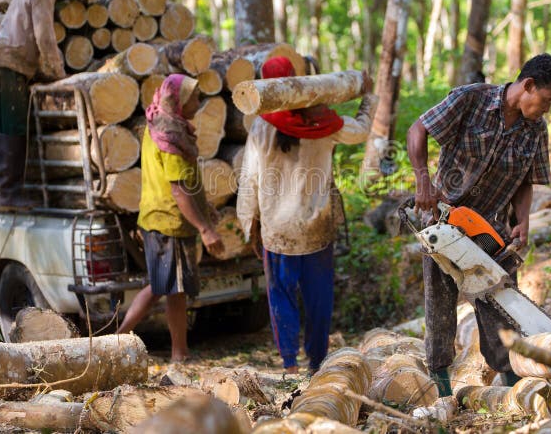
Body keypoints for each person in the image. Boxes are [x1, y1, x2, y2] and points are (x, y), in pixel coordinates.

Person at [407, 54, 551, 395]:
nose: (547, 109)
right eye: (546, 101)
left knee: (500, 305)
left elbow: (527, 181)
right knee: (440, 305)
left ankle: (510, 385)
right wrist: (423, 180)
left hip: (491, 229)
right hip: (445, 220)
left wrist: (522, 221)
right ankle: (442, 390)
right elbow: (418, 128)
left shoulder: (536, 130)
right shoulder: (472, 99)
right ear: (528, 85)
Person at [237, 57, 377, 375]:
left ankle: (289, 363)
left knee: (281, 295)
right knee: (319, 296)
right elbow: (362, 131)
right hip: (316, 225)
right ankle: (316, 362)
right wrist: (368, 96)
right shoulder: (323, 122)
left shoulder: (260, 126)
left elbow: (250, 178)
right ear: (296, 81)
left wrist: (250, 223)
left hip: (277, 227)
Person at [117, 74, 225, 362]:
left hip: (160, 218)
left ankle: (168, 350)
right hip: (169, 220)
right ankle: (168, 351)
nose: (199, 103)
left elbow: (187, 182)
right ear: (177, 101)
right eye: (194, 98)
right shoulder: (171, 136)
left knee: (166, 286)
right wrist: (205, 228)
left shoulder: (160, 124)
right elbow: (178, 190)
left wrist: (205, 208)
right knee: (168, 288)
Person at [0, 0, 79, 212]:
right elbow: (44, 36)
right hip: (10, 65)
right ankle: (10, 196)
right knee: (13, 128)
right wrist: (58, 74)